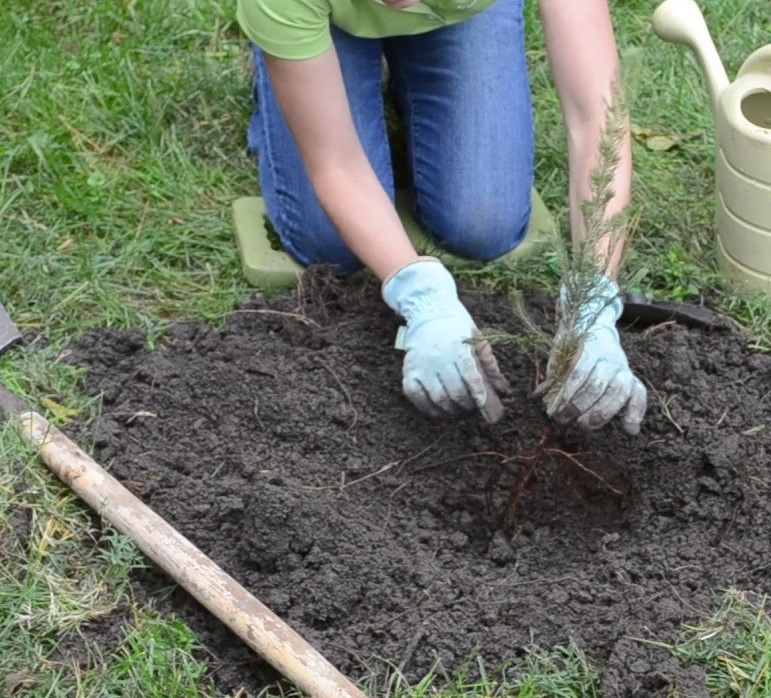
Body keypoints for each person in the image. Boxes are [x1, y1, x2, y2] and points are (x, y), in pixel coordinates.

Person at [235, 0, 648, 434]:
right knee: (327, 244)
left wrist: (594, 298)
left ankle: (405, 71)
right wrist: (420, 294)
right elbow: (335, 163)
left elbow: (596, 119)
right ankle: (284, 68)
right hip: (322, 16)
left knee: (483, 223)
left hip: (467, 12)